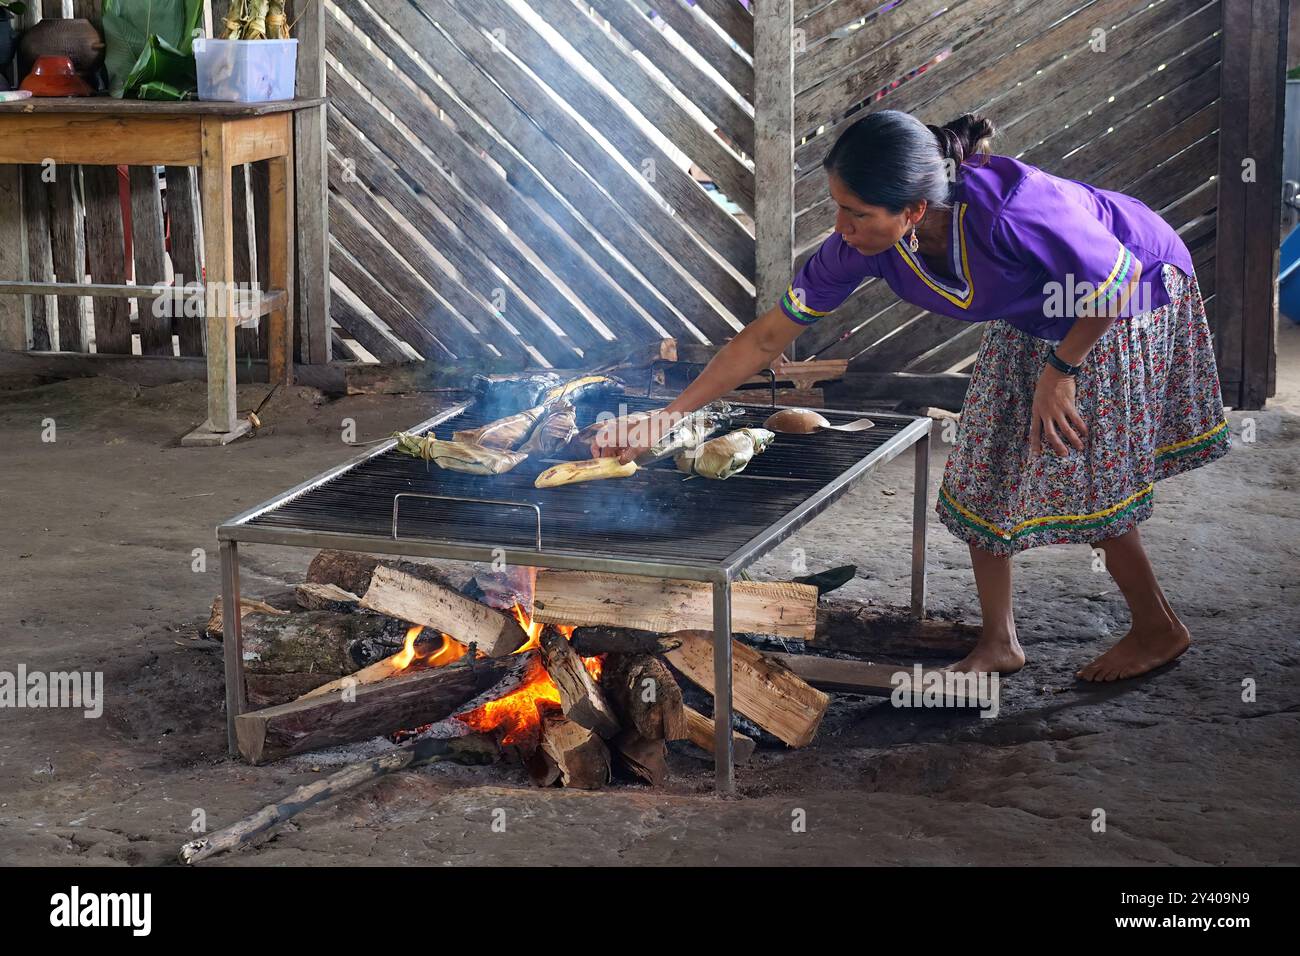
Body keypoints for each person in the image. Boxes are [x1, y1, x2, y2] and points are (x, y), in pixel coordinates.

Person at [598, 110, 1231, 682]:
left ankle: (1157, 628)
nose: (842, 229)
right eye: (838, 208)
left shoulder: (1015, 210)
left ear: (914, 211)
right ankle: (999, 642)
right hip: (1036, 314)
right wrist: (667, 417)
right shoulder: (860, 248)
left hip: (1124, 295)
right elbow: (767, 338)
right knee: (982, 462)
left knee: (1078, 464)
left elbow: (1112, 284)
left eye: (858, 214)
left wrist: (1061, 369)